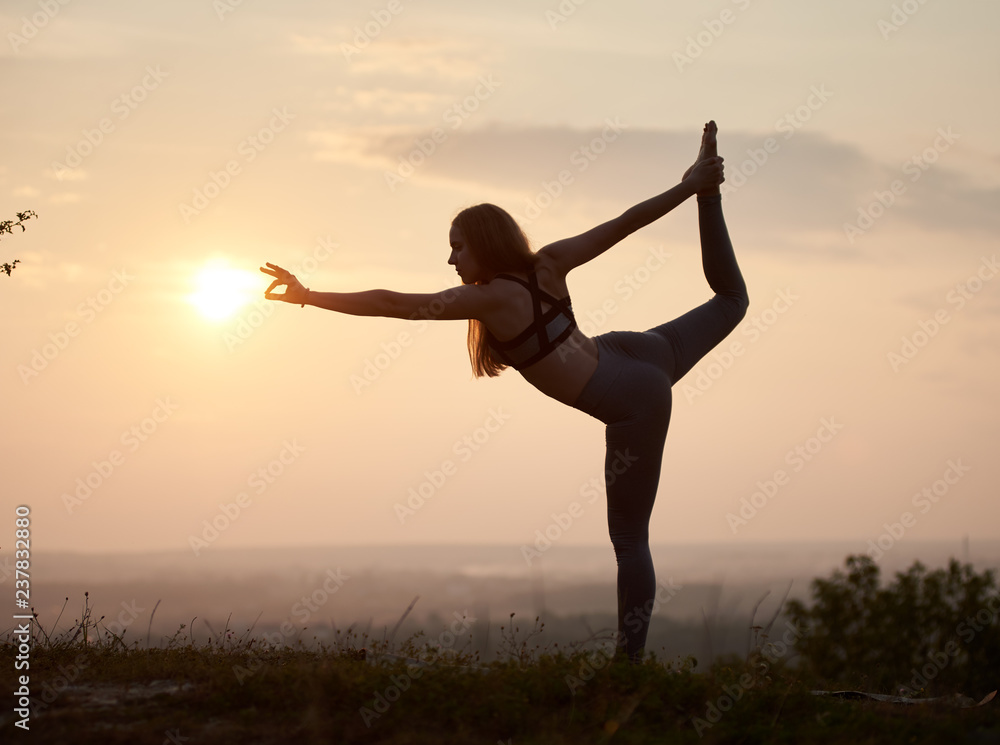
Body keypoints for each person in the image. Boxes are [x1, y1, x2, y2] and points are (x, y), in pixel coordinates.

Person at [261, 121, 748, 664]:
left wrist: (309, 295)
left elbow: (393, 301)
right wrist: (690, 188)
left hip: (634, 398)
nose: (451, 261)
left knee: (630, 540)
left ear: (484, 245)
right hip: (636, 352)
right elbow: (624, 224)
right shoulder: (549, 263)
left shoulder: (490, 300)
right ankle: (712, 196)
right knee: (732, 300)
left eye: (457, 248)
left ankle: (627, 669)